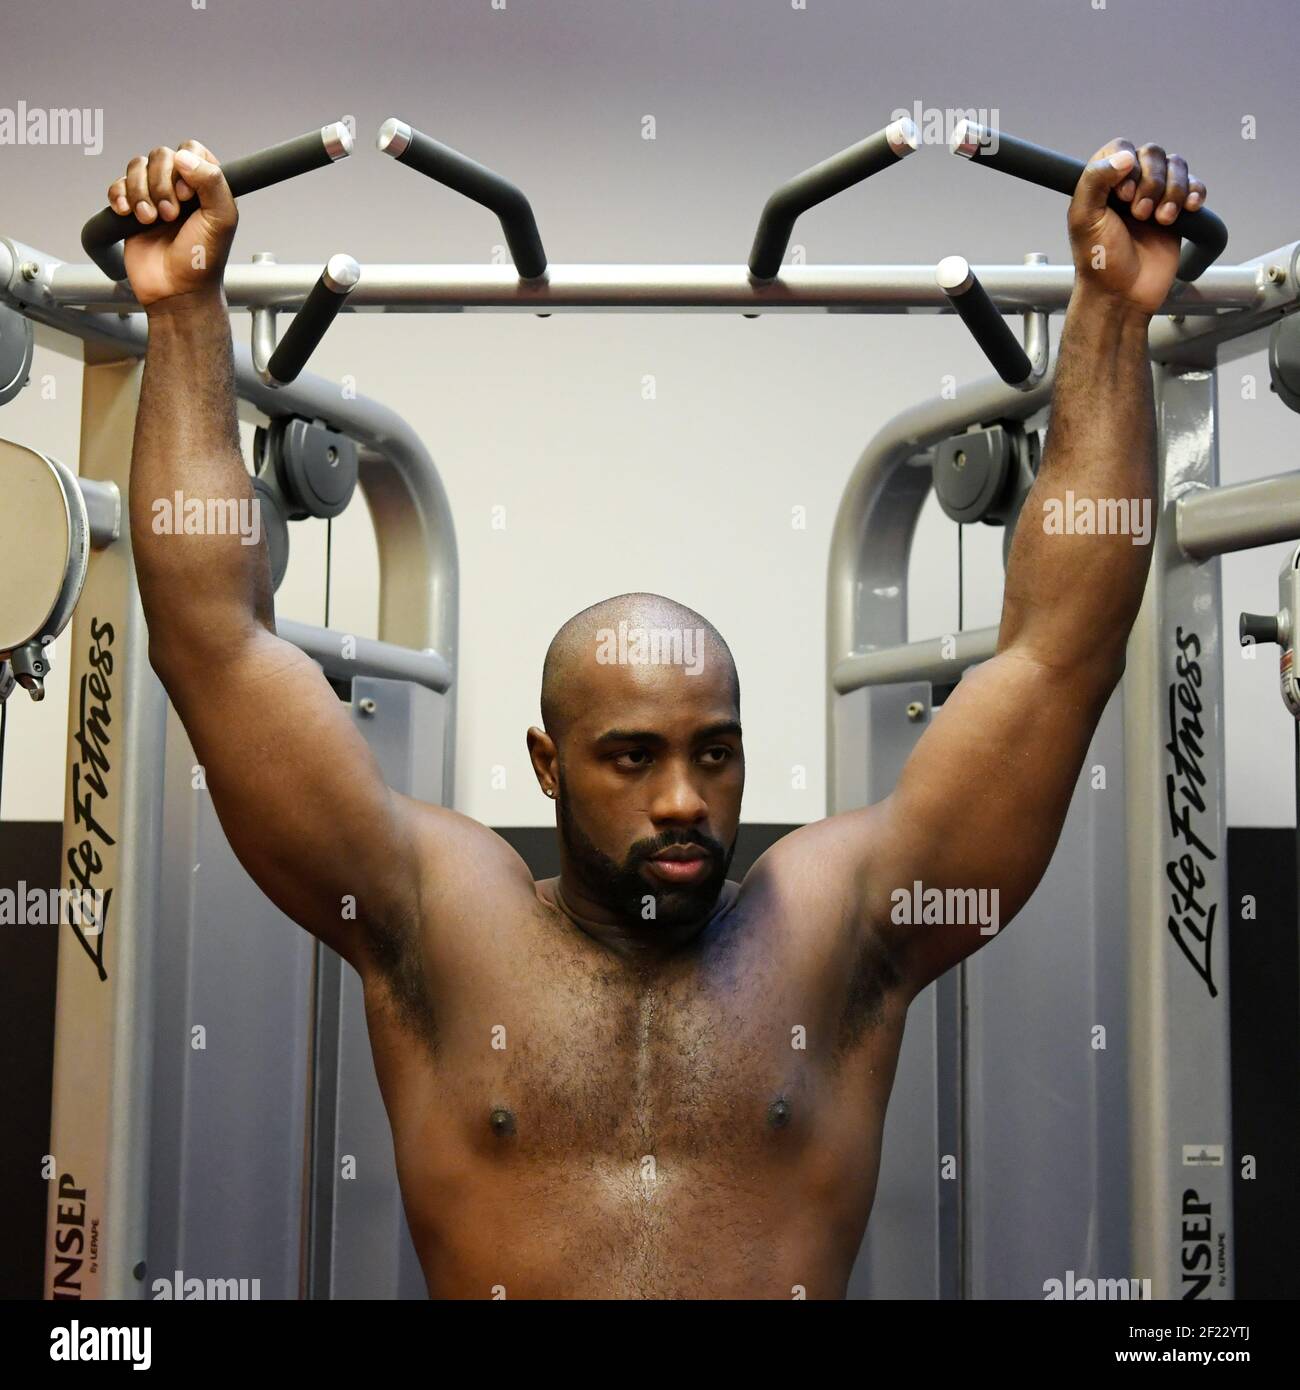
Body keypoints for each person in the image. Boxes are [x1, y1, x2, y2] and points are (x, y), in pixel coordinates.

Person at [111, 132, 1203, 1298]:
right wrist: (182, 311)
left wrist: (1111, 311)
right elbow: (214, 644)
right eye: (630, 756)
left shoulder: (838, 935)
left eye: (713, 752)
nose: (682, 799)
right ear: (547, 763)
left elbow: (1056, 655)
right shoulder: (435, 921)